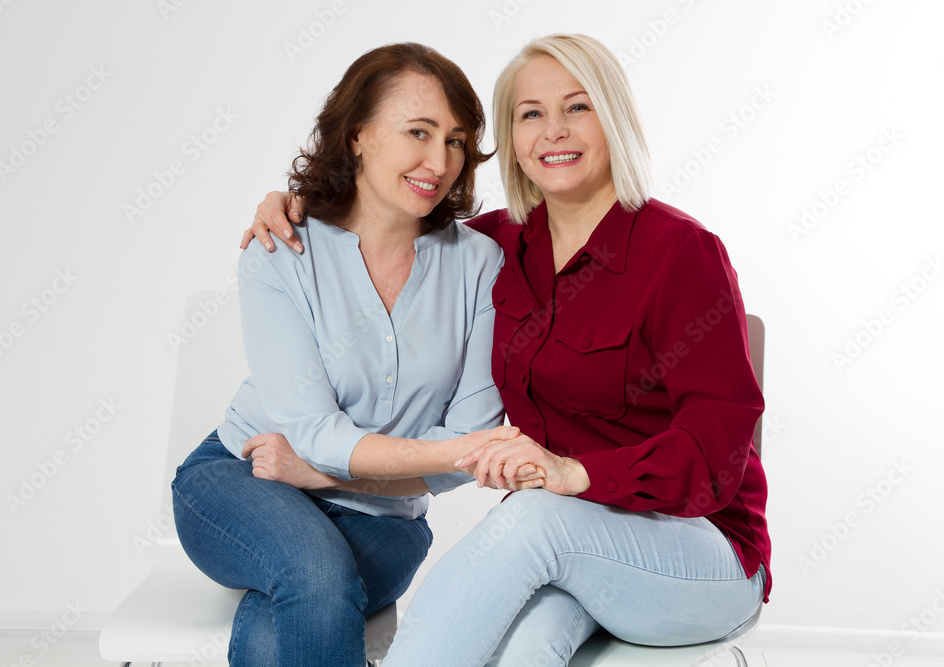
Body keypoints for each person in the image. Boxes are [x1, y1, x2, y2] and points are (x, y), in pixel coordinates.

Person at [247, 34, 771, 666]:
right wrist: (301, 206)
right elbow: (387, 220)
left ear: (614, 117)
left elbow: (716, 452)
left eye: (577, 107)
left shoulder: (681, 253)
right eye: (530, 114)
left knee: (535, 515)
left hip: (701, 557)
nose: (554, 131)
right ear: (511, 136)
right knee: (516, 648)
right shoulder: (497, 247)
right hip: (572, 551)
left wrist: (574, 474)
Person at [172, 42, 543, 667]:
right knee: (313, 572)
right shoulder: (280, 250)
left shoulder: (480, 266)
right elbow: (331, 433)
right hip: (243, 473)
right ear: (357, 136)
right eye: (417, 133)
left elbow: (470, 436)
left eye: (455, 140)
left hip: (383, 518)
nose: (439, 160)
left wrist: (326, 473)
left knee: (281, 625)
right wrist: (460, 452)